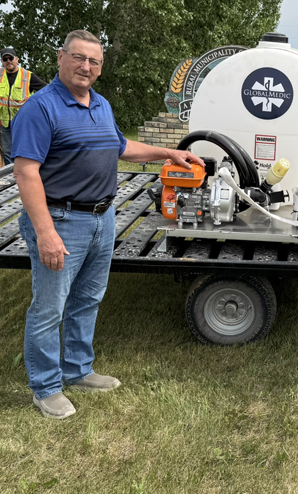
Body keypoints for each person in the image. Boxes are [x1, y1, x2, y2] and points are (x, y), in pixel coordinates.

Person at [11, 30, 204, 419]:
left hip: (102, 218)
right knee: (49, 308)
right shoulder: (40, 108)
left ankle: (78, 370)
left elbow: (122, 147)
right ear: (61, 57)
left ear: (100, 68)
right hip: (61, 220)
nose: (86, 67)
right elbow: (26, 173)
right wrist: (46, 232)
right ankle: (46, 387)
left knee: (88, 299)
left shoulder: (100, 105)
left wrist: (168, 151)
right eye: (79, 58)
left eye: (94, 62)